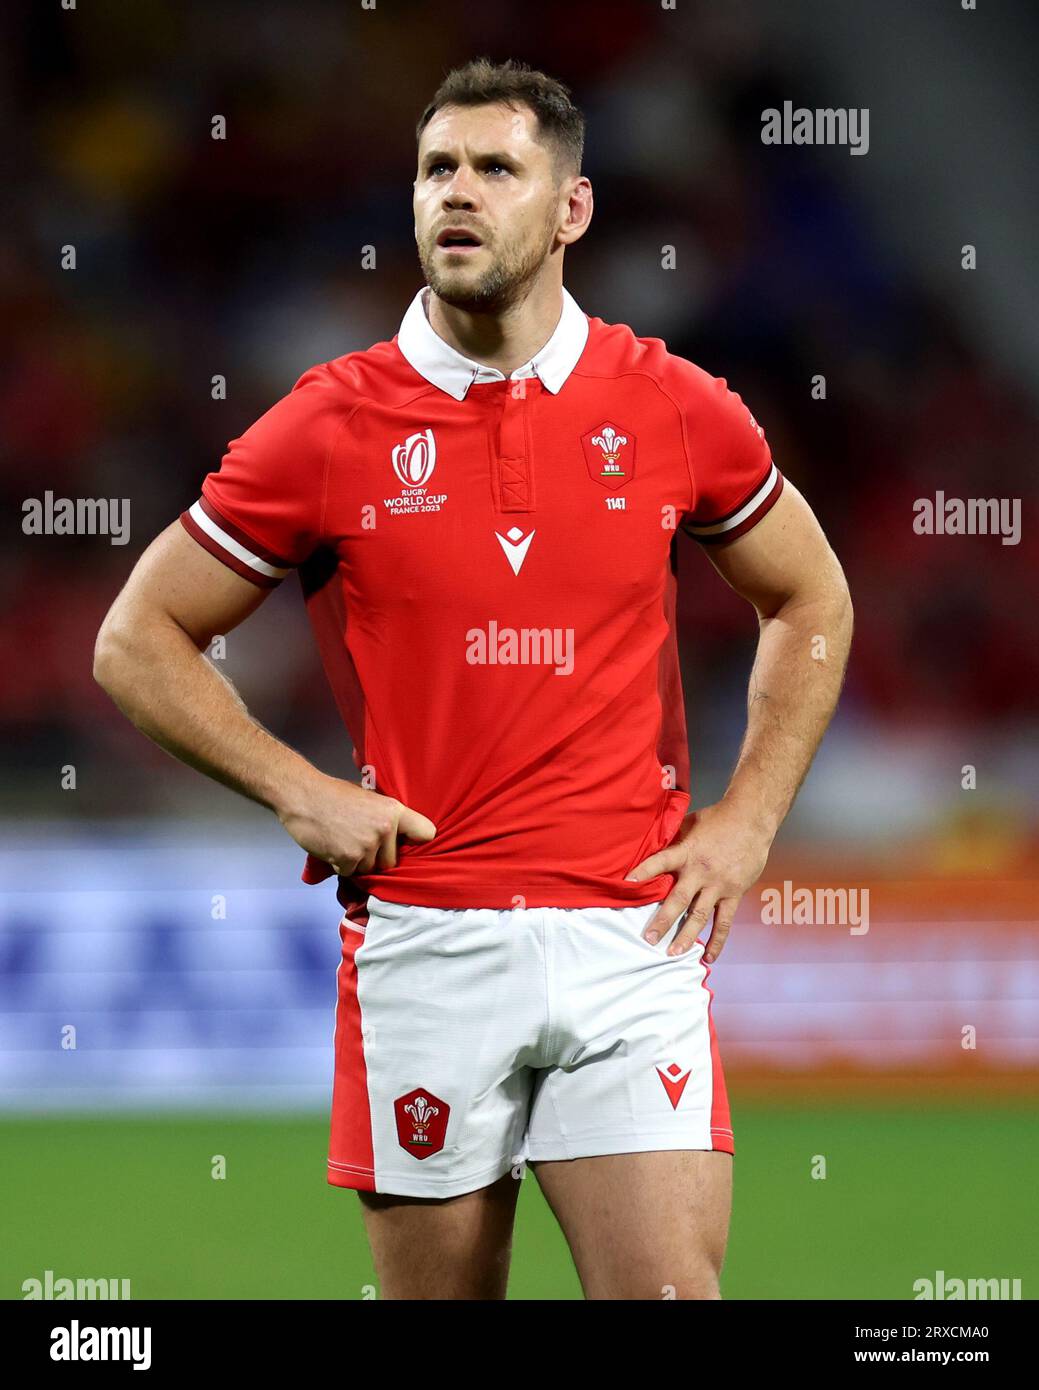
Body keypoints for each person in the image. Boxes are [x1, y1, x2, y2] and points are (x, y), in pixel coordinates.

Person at [94, 57, 852, 1300]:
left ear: (571, 210)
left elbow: (809, 594)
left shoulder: (673, 407)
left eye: (495, 168)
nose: (457, 192)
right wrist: (298, 790)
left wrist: (752, 817)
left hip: (633, 928)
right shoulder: (328, 425)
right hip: (427, 935)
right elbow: (136, 639)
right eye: (436, 168)